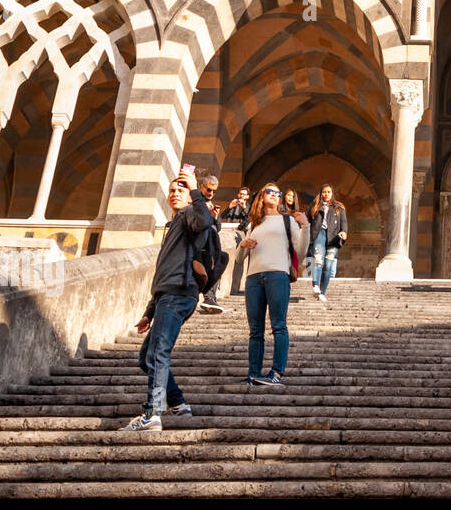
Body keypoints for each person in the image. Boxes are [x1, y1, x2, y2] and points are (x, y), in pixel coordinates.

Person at [119, 170, 213, 431]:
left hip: (178, 293)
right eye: (172, 190)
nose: (175, 193)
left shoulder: (190, 216)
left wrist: (195, 191)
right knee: (145, 358)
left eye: (180, 190)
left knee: (158, 353)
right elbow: (164, 270)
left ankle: (151, 414)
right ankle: (178, 404)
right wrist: (149, 311)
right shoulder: (174, 224)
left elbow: (205, 221)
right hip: (166, 295)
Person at [235, 183, 309, 386]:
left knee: (278, 325)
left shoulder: (287, 220)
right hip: (253, 278)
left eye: (278, 193)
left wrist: (306, 226)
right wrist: (242, 245)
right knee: (255, 330)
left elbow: (301, 253)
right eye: (271, 191)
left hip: (278, 275)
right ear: (261, 196)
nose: (276, 195)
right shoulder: (254, 223)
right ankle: (253, 373)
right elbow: (240, 259)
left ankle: (276, 372)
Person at [195, 171, 229, 314]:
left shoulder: (213, 206)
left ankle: (210, 297)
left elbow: (218, 227)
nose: (211, 193)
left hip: (211, 246)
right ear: (202, 187)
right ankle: (207, 297)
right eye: (208, 189)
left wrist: (214, 218)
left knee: (222, 258)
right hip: (198, 246)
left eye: (214, 191)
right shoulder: (195, 202)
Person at [308, 184, 348, 302]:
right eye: (324, 192)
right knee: (318, 259)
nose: (326, 194)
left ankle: (322, 292)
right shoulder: (315, 205)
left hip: (333, 237)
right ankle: (315, 285)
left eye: (329, 192)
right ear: (321, 193)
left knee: (329, 265)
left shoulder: (338, 207)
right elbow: (306, 220)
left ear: (332, 193)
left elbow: (344, 222)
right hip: (319, 234)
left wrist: (344, 232)